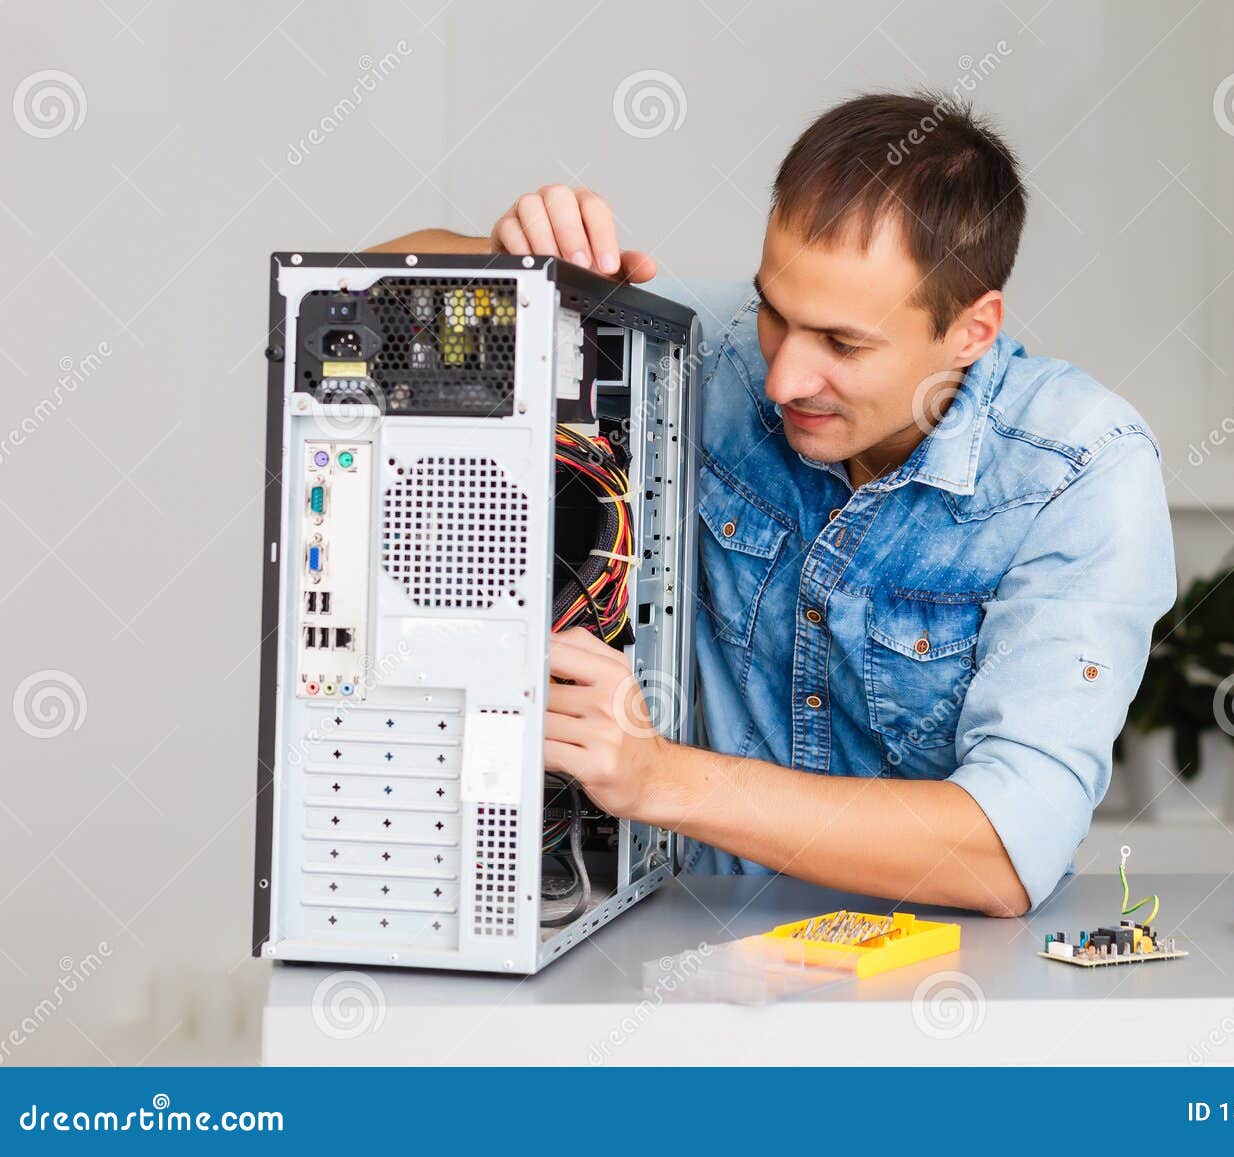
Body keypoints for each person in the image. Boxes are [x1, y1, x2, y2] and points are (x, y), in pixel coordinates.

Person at [373, 92, 1175, 917]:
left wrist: (660, 778)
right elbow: (364, 291)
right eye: (774, 313)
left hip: (941, 976)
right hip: (682, 947)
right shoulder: (709, 351)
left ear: (971, 331)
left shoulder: (1079, 470)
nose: (786, 378)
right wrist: (516, 258)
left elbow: (1006, 852)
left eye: (841, 343)